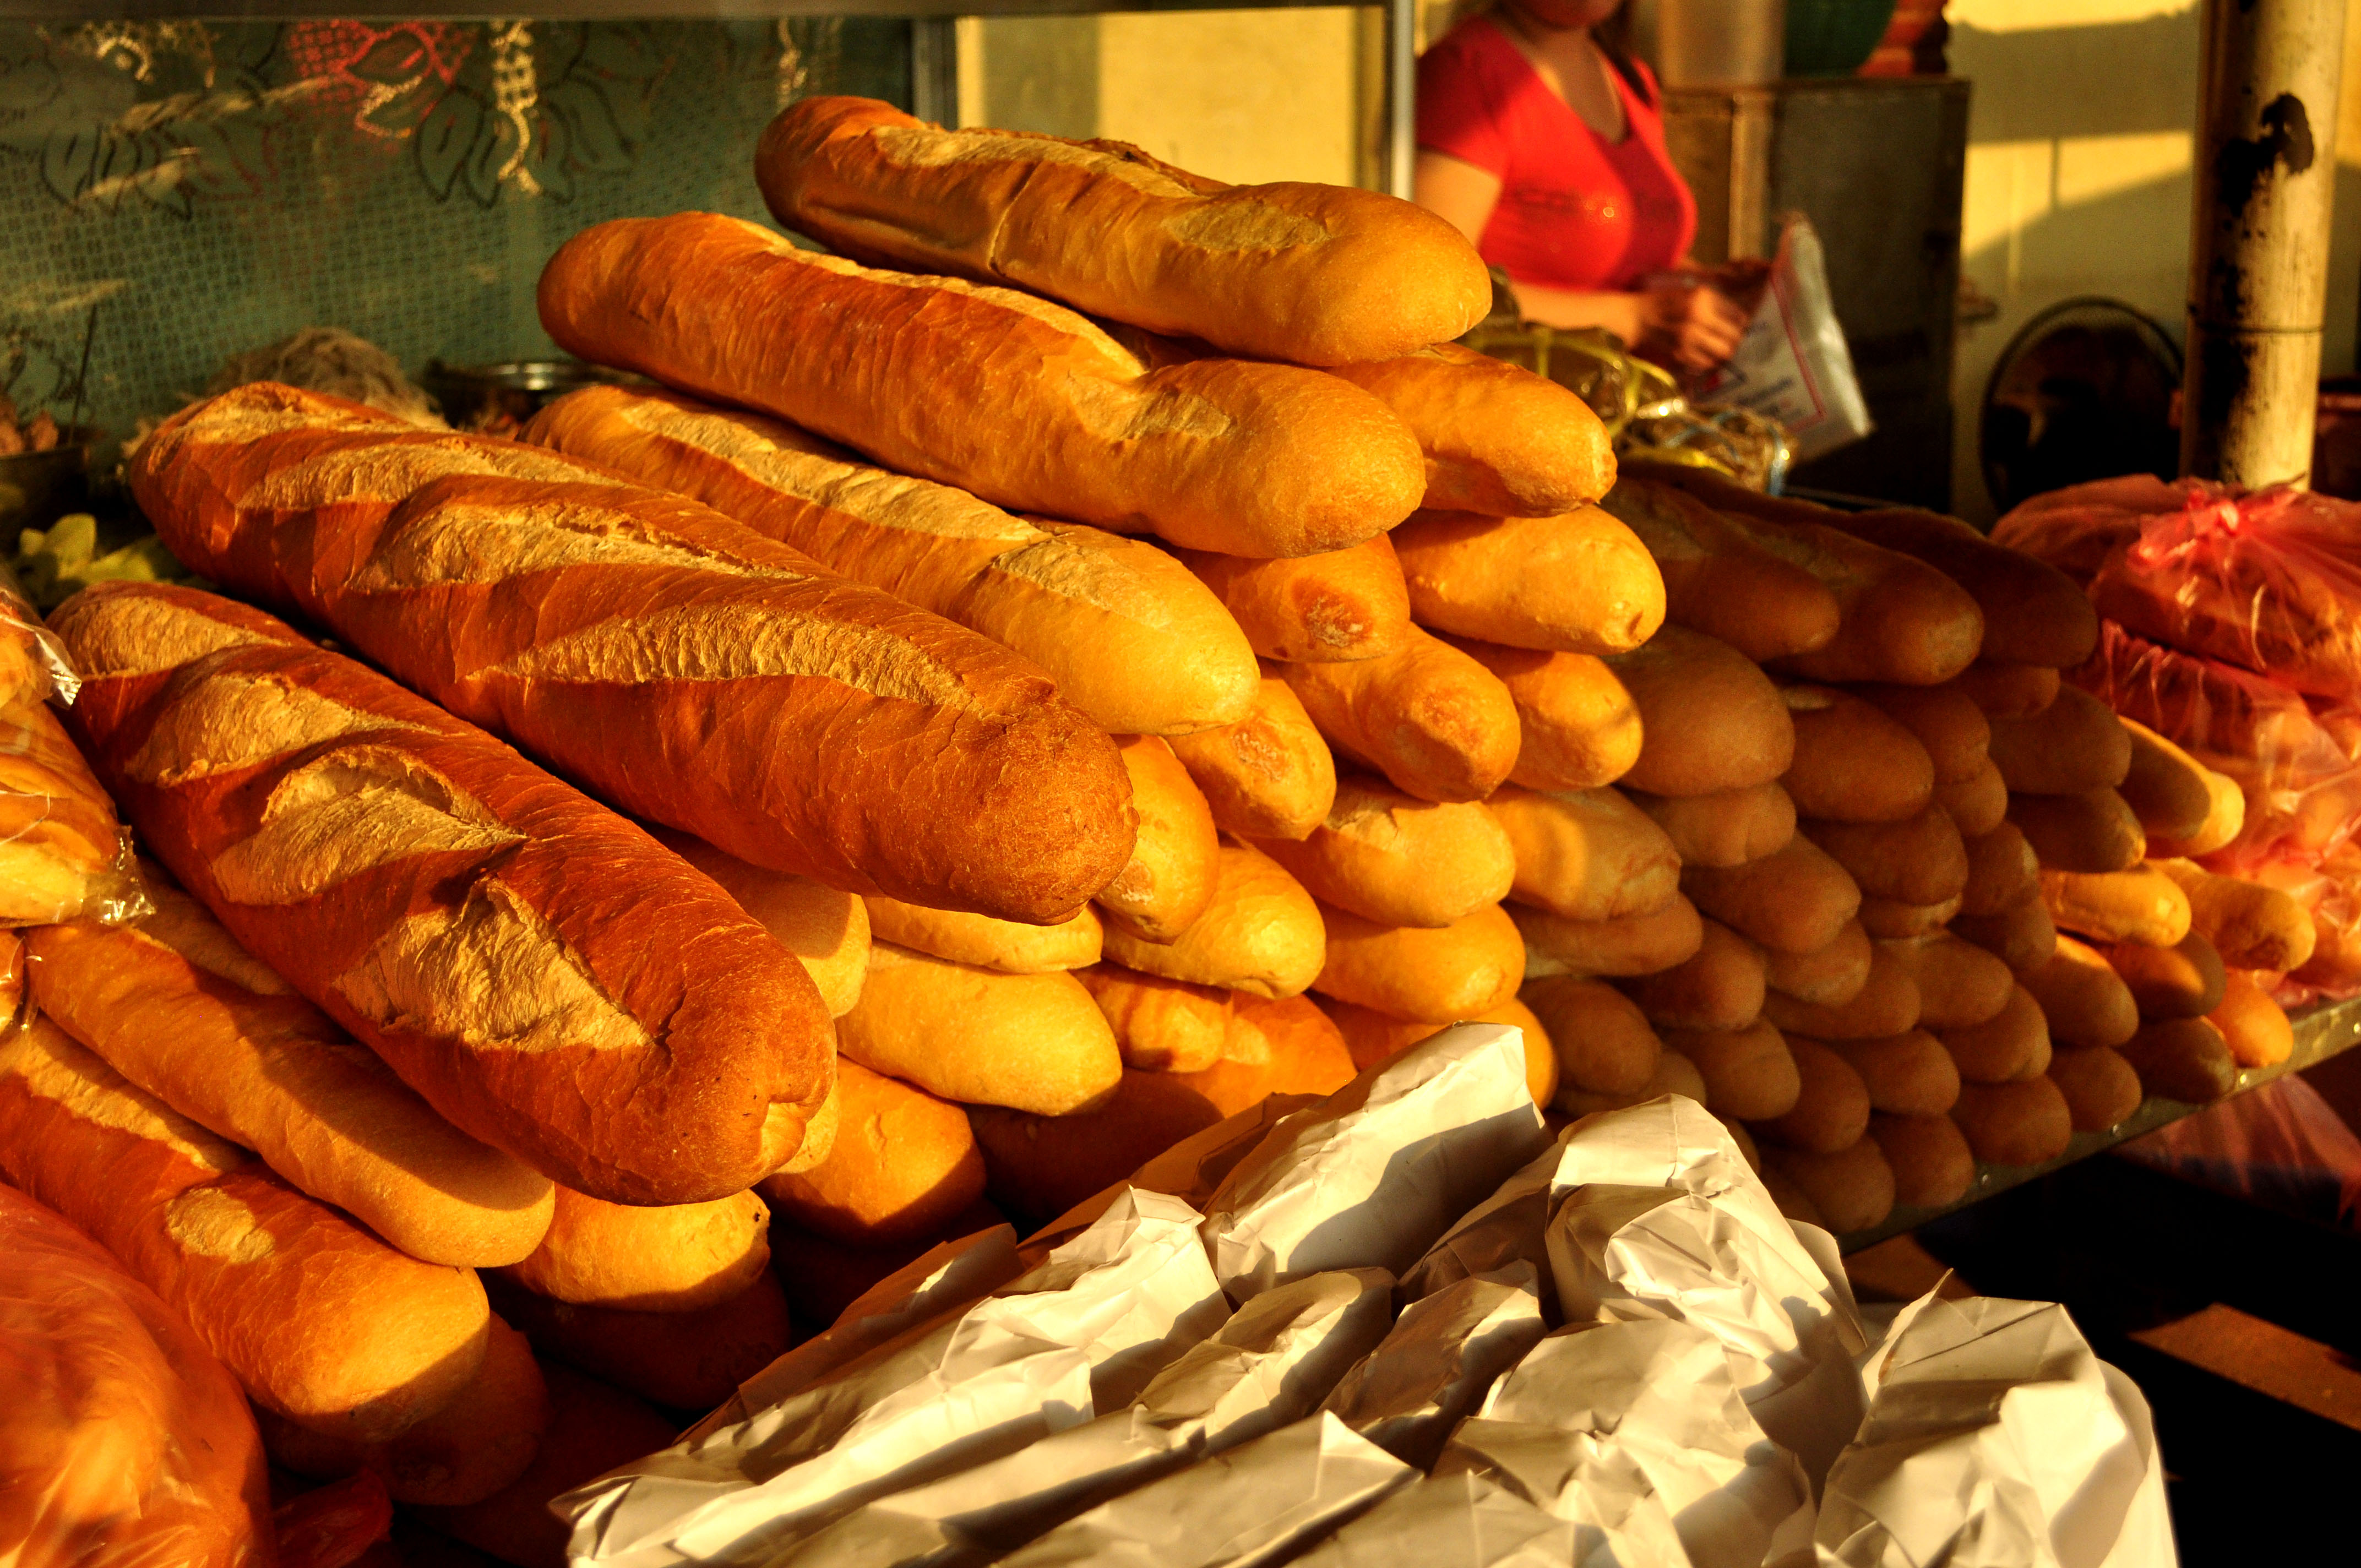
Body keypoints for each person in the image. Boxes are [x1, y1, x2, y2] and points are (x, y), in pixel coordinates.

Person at [1414, 0, 1754, 373]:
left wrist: (1703, 291)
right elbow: (1434, 293)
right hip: (1529, 405)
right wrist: (1639, 318)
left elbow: (1614, 253)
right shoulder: (1465, 71)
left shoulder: (1628, 77)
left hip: (1635, 405)